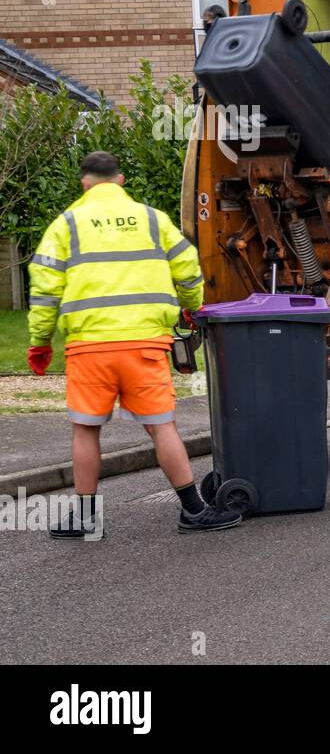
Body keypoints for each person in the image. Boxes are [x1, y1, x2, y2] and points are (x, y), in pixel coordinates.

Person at [27, 152, 242, 538]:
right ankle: (193, 510)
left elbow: (44, 289)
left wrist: (40, 341)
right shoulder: (151, 219)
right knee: (162, 427)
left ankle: (85, 518)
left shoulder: (66, 224)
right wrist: (192, 308)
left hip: (89, 348)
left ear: (85, 183)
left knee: (85, 430)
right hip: (144, 346)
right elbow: (188, 268)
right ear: (121, 180)